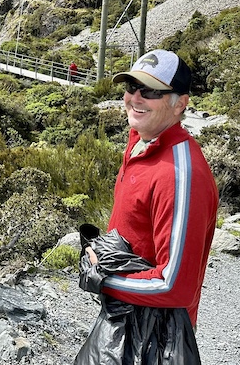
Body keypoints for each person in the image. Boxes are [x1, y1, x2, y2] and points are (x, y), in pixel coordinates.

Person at [76, 49, 219, 364]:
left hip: (155, 337)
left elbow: (174, 285)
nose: (135, 98)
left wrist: (102, 277)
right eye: (131, 87)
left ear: (180, 103)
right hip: (126, 318)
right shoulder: (141, 140)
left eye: (151, 91)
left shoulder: (180, 175)